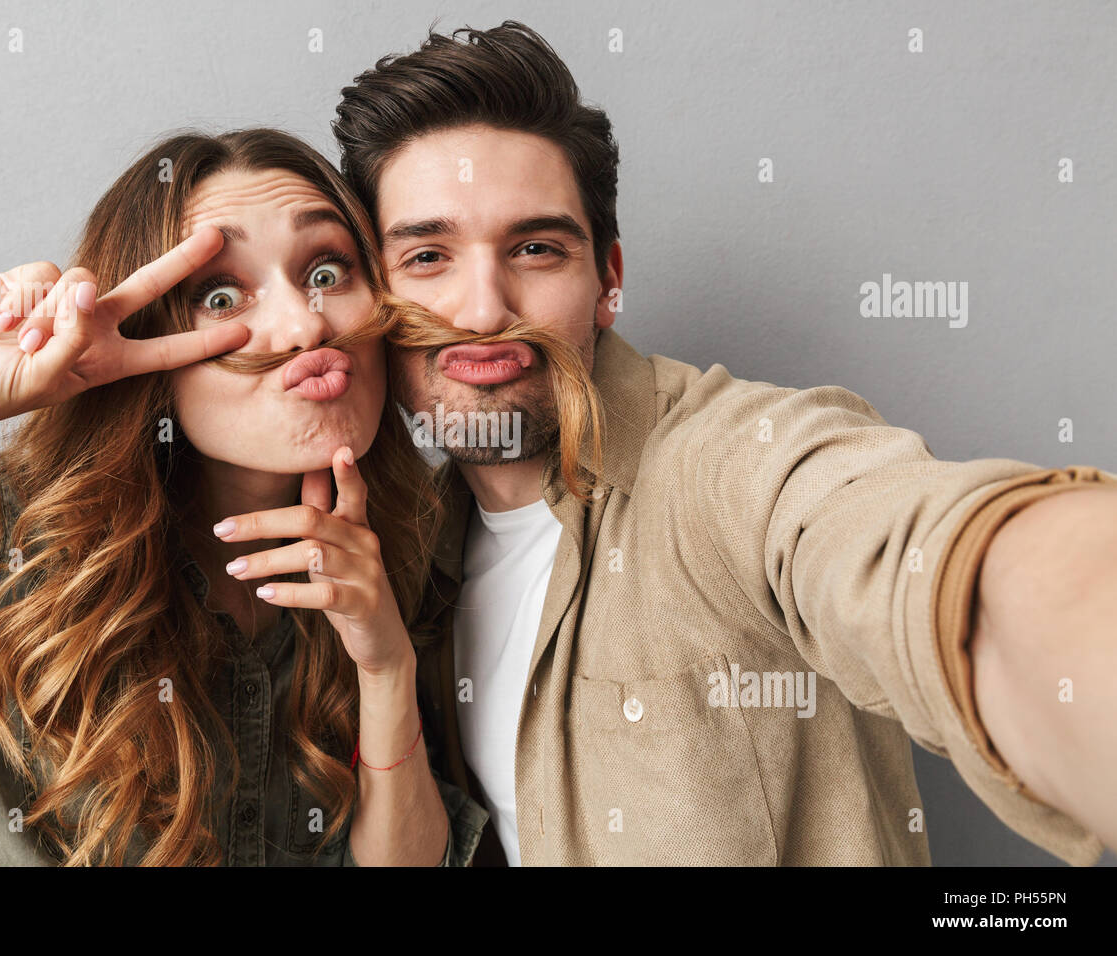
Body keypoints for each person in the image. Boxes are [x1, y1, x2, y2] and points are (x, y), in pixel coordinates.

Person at [332, 21, 1117, 865]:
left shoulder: (728, 460)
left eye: (535, 248)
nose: (484, 309)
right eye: (426, 256)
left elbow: (899, 544)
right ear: (374, 293)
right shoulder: (402, 558)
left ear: (609, 280)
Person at [0, 127, 487, 866]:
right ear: (139, 348)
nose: (305, 324)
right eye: (221, 295)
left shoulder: (413, 558)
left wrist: (385, 667)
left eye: (327, 272)